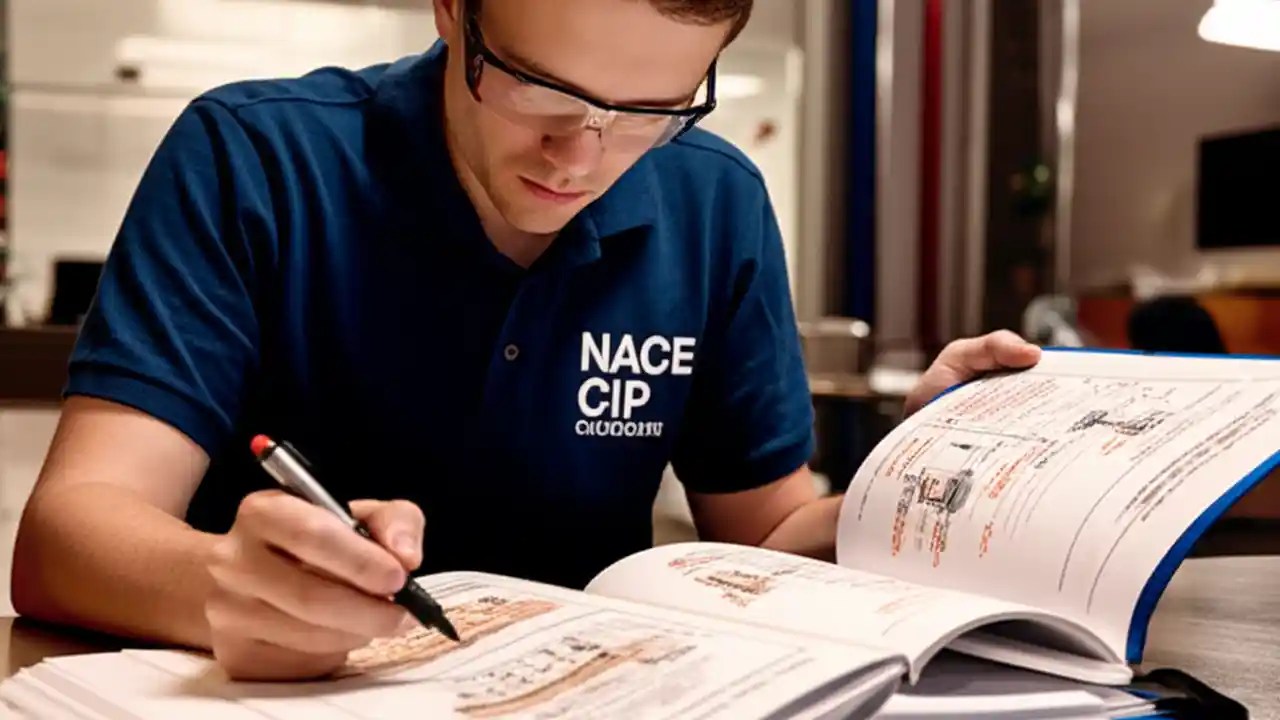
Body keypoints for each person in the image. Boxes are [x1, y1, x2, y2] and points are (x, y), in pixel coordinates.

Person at [10, 0, 1041, 682]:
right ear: (452, 11)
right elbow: (66, 539)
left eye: (650, 108)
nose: (581, 155)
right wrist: (216, 585)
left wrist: (908, 480)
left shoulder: (712, 198)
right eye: (541, 89)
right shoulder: (256, 158)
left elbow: (762, 535)